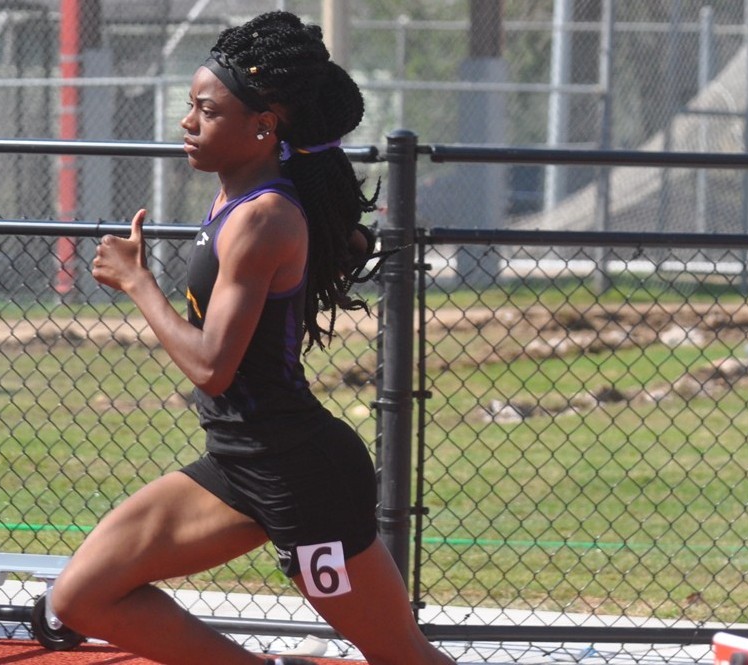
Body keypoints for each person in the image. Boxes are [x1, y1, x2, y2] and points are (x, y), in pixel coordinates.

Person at [49, 11, 455, 665]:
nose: (187, 122)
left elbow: (212, 365)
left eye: (206, 111)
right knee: (82, 594)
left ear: (263, 127)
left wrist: (137, 282)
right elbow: (336, 249)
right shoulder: (239, 197)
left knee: (404, 657)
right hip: (239, 462)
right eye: (191, 106)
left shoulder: (264, 217)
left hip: (302, 476)